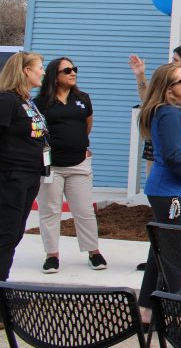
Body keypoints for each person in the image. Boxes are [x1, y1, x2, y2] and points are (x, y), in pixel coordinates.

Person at [136, 63, 181, 325]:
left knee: (160, 248)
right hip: (170, 191)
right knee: (174, 251)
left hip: (168, 190)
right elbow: (173, 155)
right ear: (169, 89)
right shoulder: (168, 115)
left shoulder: (168, 112)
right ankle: (177, 310)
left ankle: (147, 309)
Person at [34, 57, 106, 273]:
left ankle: (93, 252)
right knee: (50, 211)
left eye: (74, 69)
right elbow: (37, 132)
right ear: (54, 76)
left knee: (84, 210)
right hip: (52, 166)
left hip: (79, 164)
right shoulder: (40, 103)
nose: (73, 73)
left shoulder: (83, 99)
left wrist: (78, 144)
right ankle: (52, 255)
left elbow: (88, 124)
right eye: (67, 70)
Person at [0, 51, 47, 282]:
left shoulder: (26, 101)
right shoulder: (7, 100)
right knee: (6, 234)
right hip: (12, 177)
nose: (43, 72)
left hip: (30, 175)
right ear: (26, 71)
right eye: (40, 67)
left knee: (15, 233)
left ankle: (3, 286)